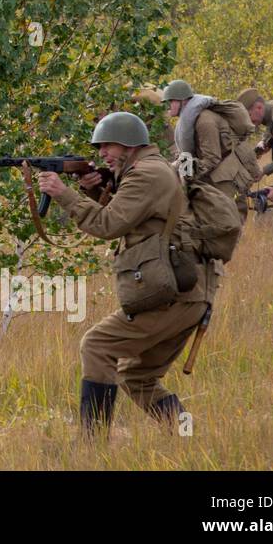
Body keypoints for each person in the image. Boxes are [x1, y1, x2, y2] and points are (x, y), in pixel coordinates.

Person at [37, 111, 211, 435]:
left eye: (108, 146)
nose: (101, 153)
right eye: (99, 147)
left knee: (97, 346)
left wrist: (65, 194)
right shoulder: (148, 170)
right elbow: (130, 216)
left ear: (129, 144)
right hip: (186, 294)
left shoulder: (146, 175)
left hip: (174, 295)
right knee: (138, 377)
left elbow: (109, 224)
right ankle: (190, 436)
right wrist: (97, 188)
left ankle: (94, 446)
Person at [162, 79, 261, 221]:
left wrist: (190, 173)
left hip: (226, 179)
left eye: (170, 101)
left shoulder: (204, 121)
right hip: (219, 176)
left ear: (182, 101)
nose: (167, 106)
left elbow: (212, 158)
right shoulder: (191, 119)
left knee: (229, 222)